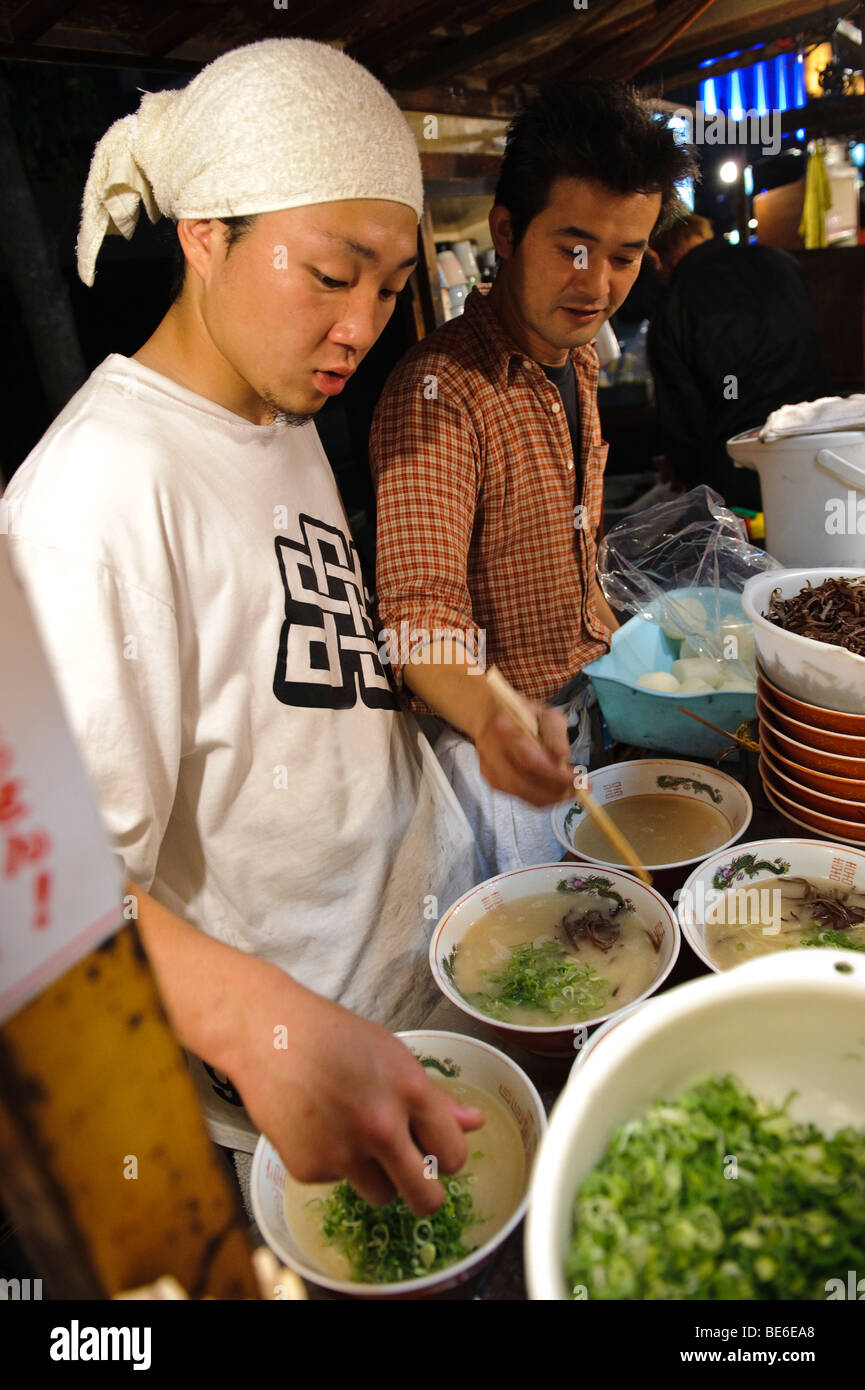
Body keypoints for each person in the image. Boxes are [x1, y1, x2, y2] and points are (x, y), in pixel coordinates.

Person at [3, 39, 485, 1216]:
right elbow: (39, 895)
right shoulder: (86, 505)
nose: (364, 325)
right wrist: (263, 1028)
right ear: (204, 235)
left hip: (425, 985)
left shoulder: (278, 409)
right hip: (306, 1090)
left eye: (387, 284)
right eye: (332, 273)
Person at [369, 82, 695, 874]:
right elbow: (416, 614)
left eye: (623, 257)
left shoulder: (577, 360)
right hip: (494, 754)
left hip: (587, 710)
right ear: (506, 231)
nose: (597, 284)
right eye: (573, 248)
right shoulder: (437, 390)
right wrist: (494, 721)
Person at [647, 213, 832, 510]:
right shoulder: (781, 264)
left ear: (659, 258)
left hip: (735, 478)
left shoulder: (673, 307)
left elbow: (683, 424)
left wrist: (686, 473)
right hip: (818, 450)